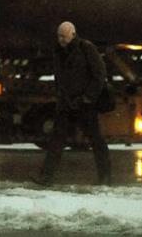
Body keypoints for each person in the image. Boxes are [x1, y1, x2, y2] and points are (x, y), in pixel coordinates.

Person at [36, 21, 111, 186]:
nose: (61, 39)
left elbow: (99, 75)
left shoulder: (86, 48)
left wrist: (87, 98)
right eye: (59, 36)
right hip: (65, 104)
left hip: (85, 104)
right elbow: (60, 77)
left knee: (96, 140)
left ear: (73, 34)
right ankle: (46, 177)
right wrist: (61, 96)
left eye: (63, 36)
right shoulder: (58, 50)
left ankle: (105, 177)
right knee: (56, 141)